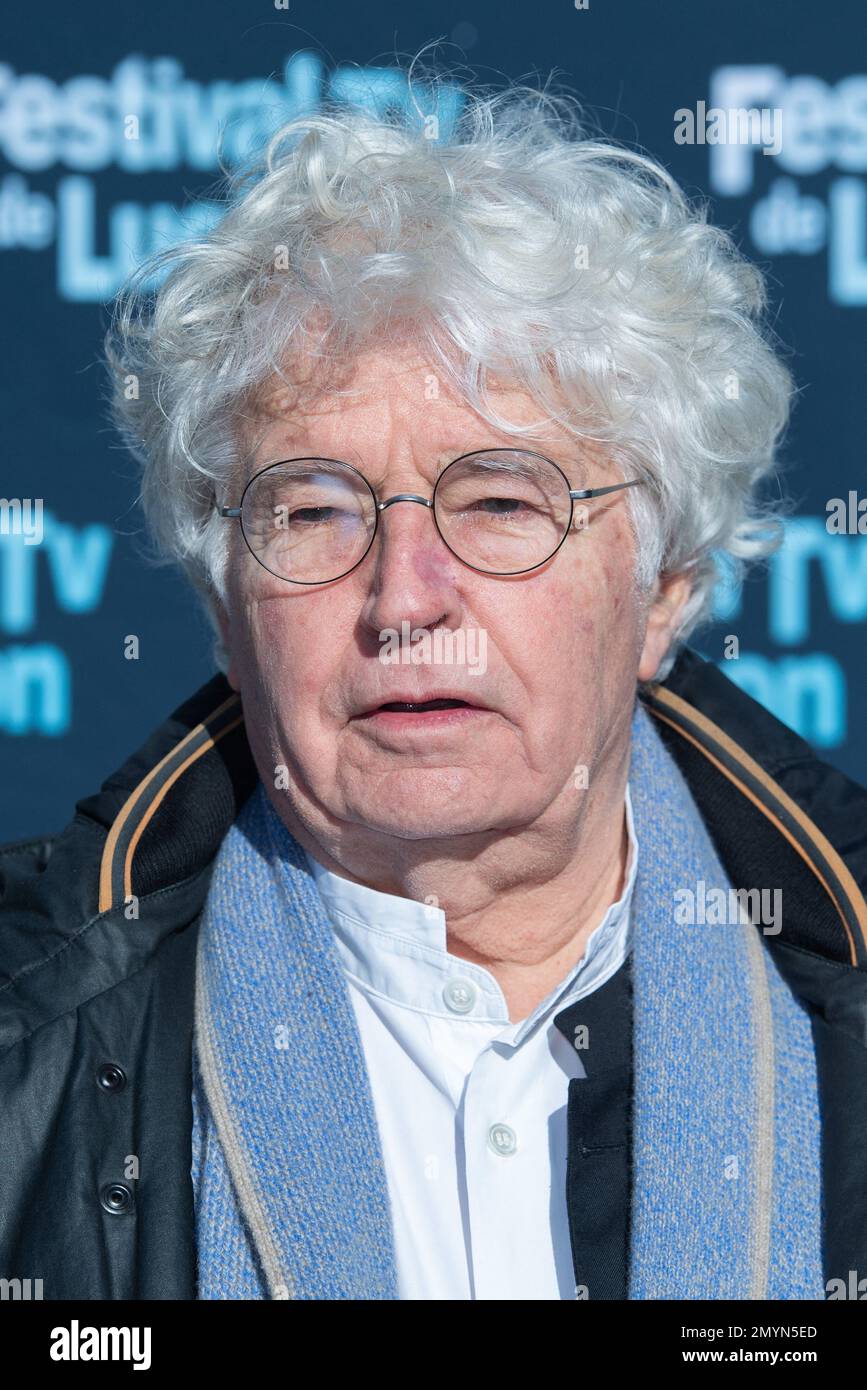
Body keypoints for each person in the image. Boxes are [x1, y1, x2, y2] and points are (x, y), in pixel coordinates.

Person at [2, 75, 866, 1302]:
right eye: (313, 510)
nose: (406, 598)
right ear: (224, 611)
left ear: (664, 588)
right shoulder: (28, 1036)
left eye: (504, 502)